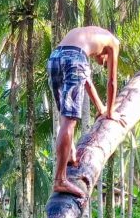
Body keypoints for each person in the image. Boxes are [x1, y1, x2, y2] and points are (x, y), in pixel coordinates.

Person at [47, 26, 121, 198]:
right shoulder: (113, 43)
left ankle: (71, 152)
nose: (102, 63)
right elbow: (112, 81)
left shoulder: (86, 37)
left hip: (55, 57)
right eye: (104, 62)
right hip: (73, 60)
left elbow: (86, 79)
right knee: (68, 121)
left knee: (64, 115)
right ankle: (60, 179)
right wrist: (110, 112)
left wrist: (101, 108)